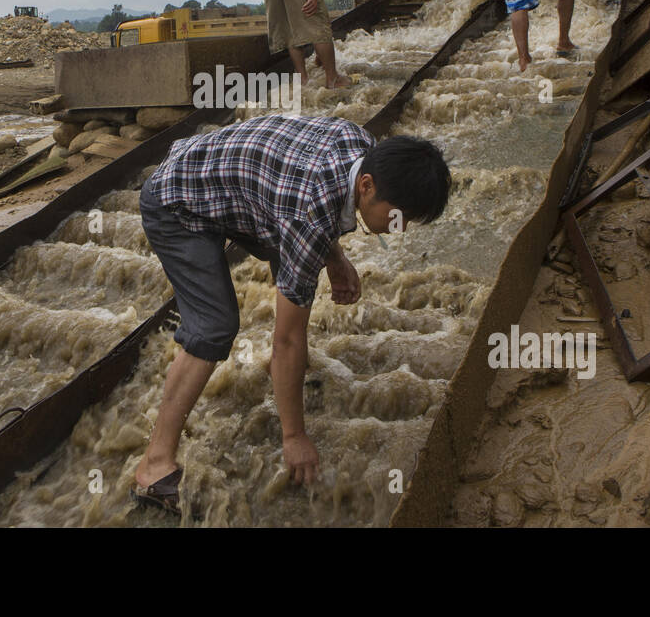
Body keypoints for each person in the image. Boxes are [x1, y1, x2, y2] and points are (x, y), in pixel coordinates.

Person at [131, 114, 451, 513]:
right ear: (366, 186)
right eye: (397, 217)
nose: (398, 229)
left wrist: (333, 257)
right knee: (214, 327)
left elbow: (313, 210)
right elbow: (286, 339)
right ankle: (153, 466)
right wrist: (294, 436)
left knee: (300, 269)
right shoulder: (309, 214)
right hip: (177, 202)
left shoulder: (361, 144)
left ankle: (283, 380)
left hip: (236, 187)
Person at [263, 0, 375, 89]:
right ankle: (333, 79)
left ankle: (303, 81)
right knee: (321, 28)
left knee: (291, 29)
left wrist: (320, 54)